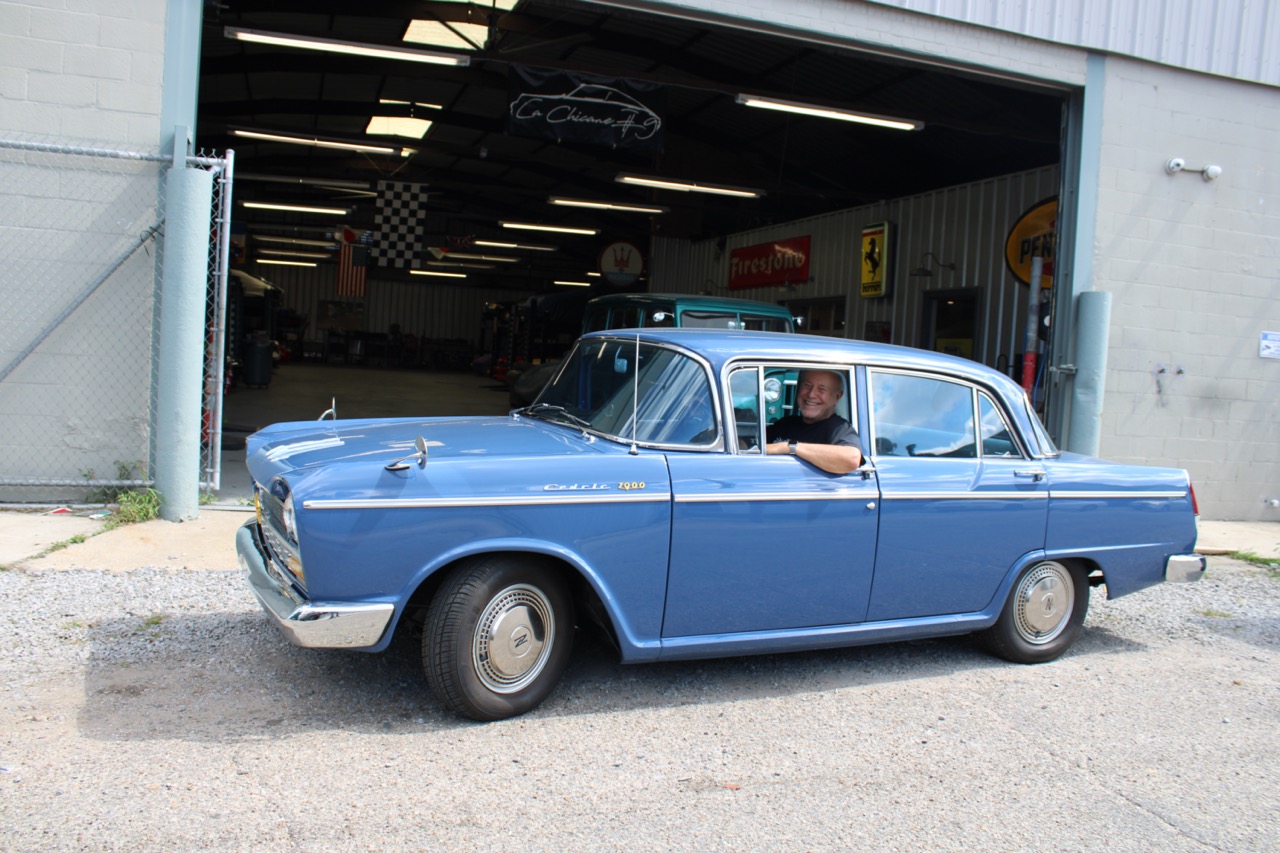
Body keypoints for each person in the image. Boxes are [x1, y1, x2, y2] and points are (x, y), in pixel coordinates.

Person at [765, 369, 863, 474]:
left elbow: (851, 459)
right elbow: (753, 445)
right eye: (807, 386)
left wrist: (789, 447)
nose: (811, 394)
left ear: (837, 397)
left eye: (821, 389)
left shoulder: (839, 428)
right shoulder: (786, 423)